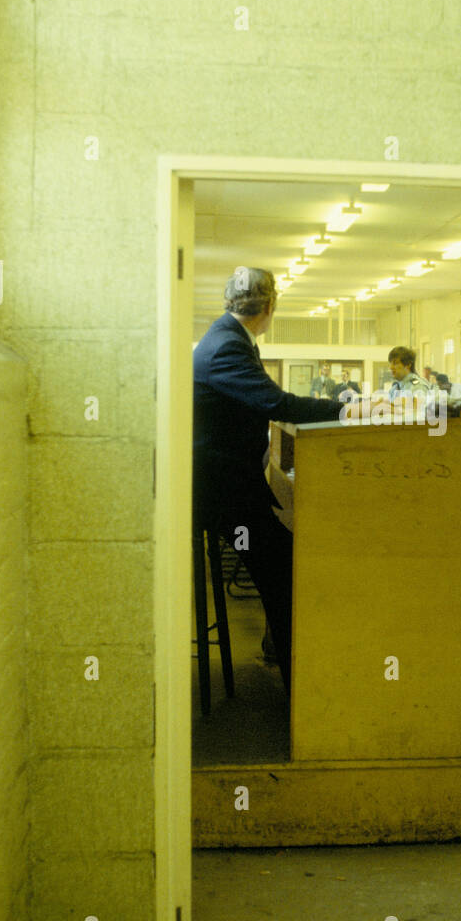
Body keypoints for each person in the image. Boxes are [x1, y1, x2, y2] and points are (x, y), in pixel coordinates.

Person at [193, 268, 345, 692]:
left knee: (280, 561)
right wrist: (346, 411)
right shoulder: (228, 346)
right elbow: (277, 403)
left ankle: (285, 658)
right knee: (285, 568)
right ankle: (301, 686)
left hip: (229, 485)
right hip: (224, 497)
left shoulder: (225, 337)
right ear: (270, 308)